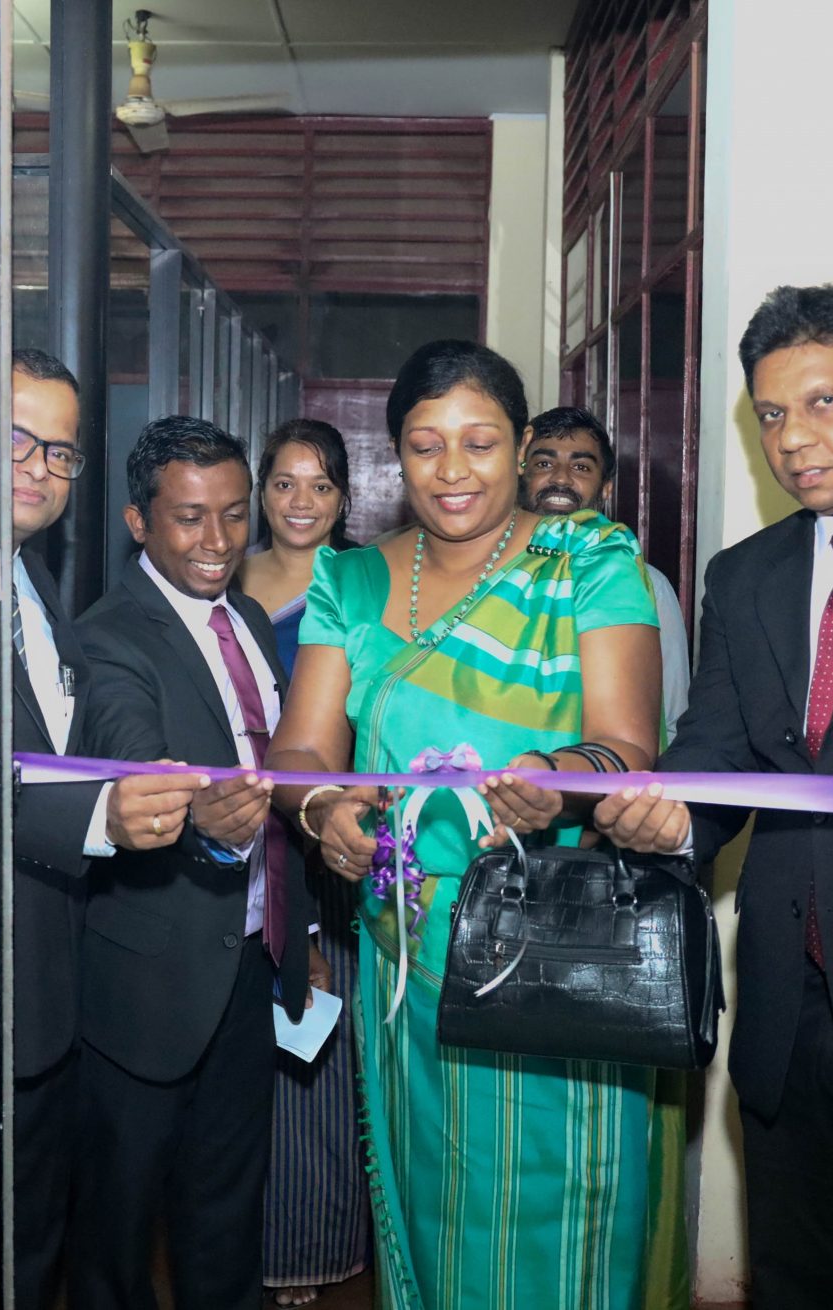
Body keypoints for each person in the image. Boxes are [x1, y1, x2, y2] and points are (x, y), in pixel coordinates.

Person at [266, 340, 690, 1310]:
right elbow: (295, 753)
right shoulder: (350, 581)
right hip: (409, 957)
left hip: (556, 956)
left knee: (563, 1219)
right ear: (394, 455)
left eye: (478, 442)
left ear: (522, 443)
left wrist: (558, 777)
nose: (450, 470)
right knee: (433, 1214)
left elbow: (626, 743)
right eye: (424, 446)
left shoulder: (590, 558)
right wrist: (323, 804)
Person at [592, 284, 833, 1310]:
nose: (792, 438)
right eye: (769, 414)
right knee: (795, 1270)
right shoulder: (742, 573)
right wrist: (667, 812)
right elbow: (714, 745)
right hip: (780, 980)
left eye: (823, 401)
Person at [69, 415, 316, 1310]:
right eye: (188, 518)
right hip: (148, 987)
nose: (217, 542)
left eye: (234, 514)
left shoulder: (246, 616)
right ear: (139, 523)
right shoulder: (106, 637)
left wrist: (303, 927)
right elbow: (138, 759)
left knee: (225, 1220)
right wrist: (199, 817)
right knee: (117, 1239)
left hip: (249, 963)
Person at [4, 349, 207, 1310]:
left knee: (29, 1252)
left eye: (60, 450)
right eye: (14, 438)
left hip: (43, 1003)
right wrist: (100, 815)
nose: (39, 467)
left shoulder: (35, 589)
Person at [238, 419, 369, 1307]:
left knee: (326, 1053)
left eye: (319, 485)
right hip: (242, 838)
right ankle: (258, 1249)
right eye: (284, 483)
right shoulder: (226, 579)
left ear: (344, 498)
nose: (300, 502)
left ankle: (324, 1249)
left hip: (337, 837)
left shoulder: (365, 586)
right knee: (253, 1068)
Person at [520, 405, 692, 747]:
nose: (560, 478)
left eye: (581, 466)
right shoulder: (492, 573)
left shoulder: (643, 584)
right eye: (544, 463)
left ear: (607, 488)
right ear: (520, 474)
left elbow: (672, 719)